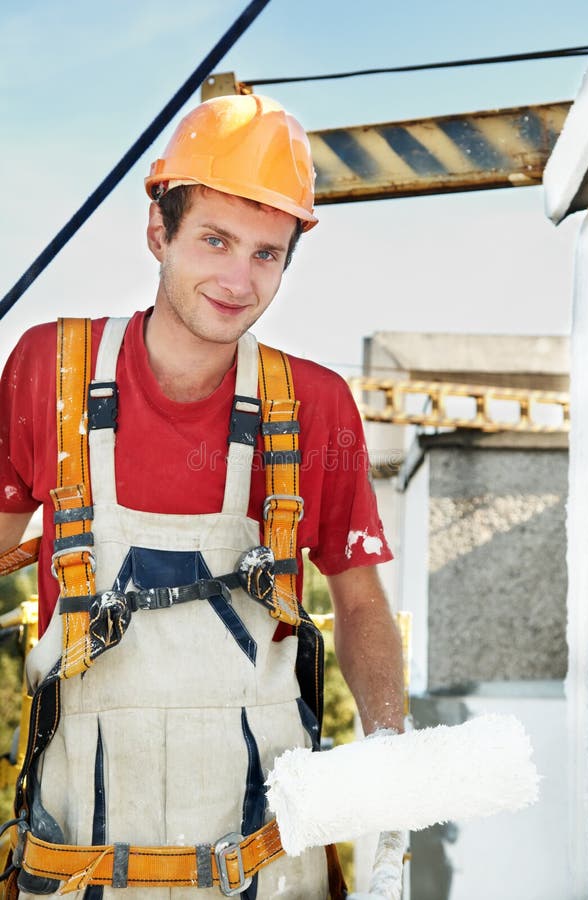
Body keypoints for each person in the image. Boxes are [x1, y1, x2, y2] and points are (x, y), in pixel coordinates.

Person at [0, 93, 404, 899]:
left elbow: (360, 603)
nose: (237, 278)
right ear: (159, 232)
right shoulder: (50, 373)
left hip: (265, 866)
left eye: (266, 253)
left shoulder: (312, 407)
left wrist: (391, 757)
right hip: (78, 856)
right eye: (214, 240)